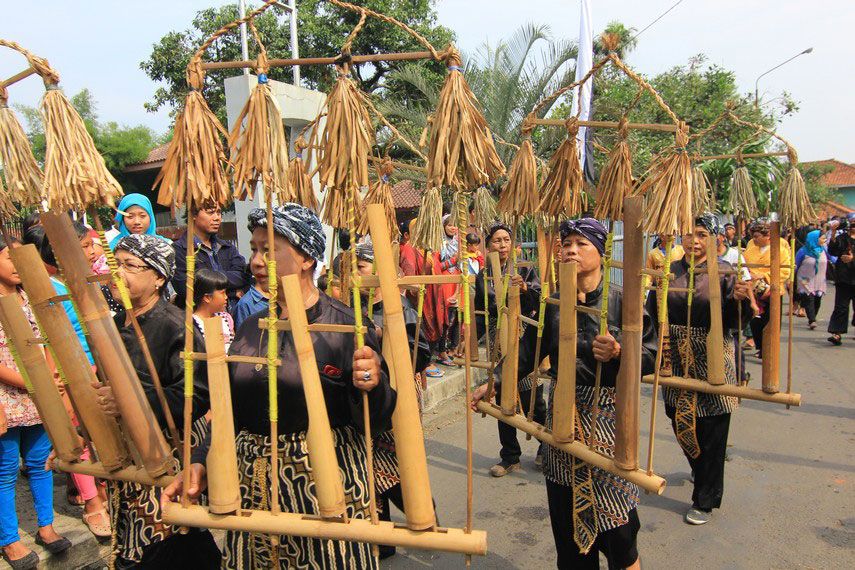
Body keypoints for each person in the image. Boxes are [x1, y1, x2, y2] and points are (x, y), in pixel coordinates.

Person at [162, 204, 396, 569]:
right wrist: (200, 460)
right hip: (253, 487)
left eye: (269, 250)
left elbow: (378, 419)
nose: (256, 261)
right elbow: (230, 411)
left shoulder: (348, 326)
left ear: (306, 258)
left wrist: (372, 385)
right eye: (254, 249)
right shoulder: (251, 326)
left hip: (327, 486)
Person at [473, 218, 657, 569]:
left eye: (581, 243)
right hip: (562, 417)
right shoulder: (553, 303)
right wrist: (494, 382)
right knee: (567, 525)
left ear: (601, 253)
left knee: (617, 529)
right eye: (567, 243)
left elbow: (650, 356)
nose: (571, 250)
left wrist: (620, 352)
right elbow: (527, 353)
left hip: (610, 420)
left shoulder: (623, 302)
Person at [94, 234, 219, 568]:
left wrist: (132, 402)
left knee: (167, 539)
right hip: (129, 449)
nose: (119, 273)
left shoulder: (175, 325)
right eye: (115, 264)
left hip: (169, 448)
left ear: (159, 277)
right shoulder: (114, 324)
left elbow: (198, 393)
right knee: (132, 539)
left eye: (131, 265)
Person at [657, 214, 752, 525]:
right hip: (676, 358)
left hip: (712, 356)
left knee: (712, 431)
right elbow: (650, 314)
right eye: (688, 234)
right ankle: (701, 472)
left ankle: (706, 497)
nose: (694, 241)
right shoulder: (669, 273)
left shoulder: (726, 273)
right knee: (679, 420)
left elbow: (739, 323)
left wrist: (739, 299)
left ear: (714, 239)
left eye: (701, 234)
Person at [23, 222, 113, 539]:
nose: (93, 251)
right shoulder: (50, 287)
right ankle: (92, 504)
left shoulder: (78, 281)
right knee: (80, 437)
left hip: (96, 364)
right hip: (75, 367)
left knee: (100, 434)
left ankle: (102, 494)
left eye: (92, 245)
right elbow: (53, 338)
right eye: (85, 246)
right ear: (62, 252)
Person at [354, 242, 432, 559]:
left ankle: (424, 509)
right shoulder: (353, 308)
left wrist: (383, 335)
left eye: (361, 268)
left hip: (397, 398)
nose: (356, 275)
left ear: (378, 271)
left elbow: (421, 354)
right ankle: (383, 539)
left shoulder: (401, 308)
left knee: (395, 465)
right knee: (371, 468)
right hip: (367, 398)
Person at [0, 236, 72, 569]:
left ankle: (46, 526)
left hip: (39, 393)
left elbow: (47, 340)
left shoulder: (29, 297)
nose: (16, 265)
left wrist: (51, 377)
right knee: (6, 469)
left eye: (19, 258)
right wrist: (32, 382)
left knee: (41, 462)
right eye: (8, 258)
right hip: (6, 398)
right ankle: (9, 540)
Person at [474, 221, 544, 477]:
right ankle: (510, 455)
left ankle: (545, 446)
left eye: (506, 240)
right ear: (488, 244)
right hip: (496, 341)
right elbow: (480, 309)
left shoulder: (524, 268)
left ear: (512, 244)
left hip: (521, 335)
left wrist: (525, 289)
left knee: (530, 395)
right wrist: (468, 339)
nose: (502, 245)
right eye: (496, 240)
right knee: (502, 395)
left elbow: (540, 299)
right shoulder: (484, 274)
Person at [172, 202, 250, 312]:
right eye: (211, 213)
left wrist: (207, 276)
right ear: (193, 215)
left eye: (219, 212)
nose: (217, 218)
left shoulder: (226, 247)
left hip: (229, 316)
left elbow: (243, 276)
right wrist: (232, 291)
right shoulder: (180, 250)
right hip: (197, 317)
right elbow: (185, 288)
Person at [743, 218, 791, 358]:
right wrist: (750, 274)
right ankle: (760, 346)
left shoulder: (780, 250)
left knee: (771, 321)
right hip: (753, 291)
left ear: (767, 235)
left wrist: (763, 276)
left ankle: (769, 349)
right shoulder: (750, 250)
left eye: (757, 236)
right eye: (753, 236)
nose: (755, 239)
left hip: (773, 290)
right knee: (755, 321)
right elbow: (744, 267)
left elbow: (785, 271)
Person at [826, 216, 855, 345]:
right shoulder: (842, 238)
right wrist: (832, 232)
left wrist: (852, 259)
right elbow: (832, 250)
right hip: (843, 278)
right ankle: (836, 333)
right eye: (852, 225)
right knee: (841, 307)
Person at [193, 269, 235, 350]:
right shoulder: (193, 323)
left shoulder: (226, 318)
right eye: (223, 293)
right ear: (207, 298)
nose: (226, 297)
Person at [795, 230, 828, 330]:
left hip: (819, 280)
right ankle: (812, 320)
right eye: (822, 238)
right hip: (805, 279)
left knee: (817, 301)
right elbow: (796, 264)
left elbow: (834, 259)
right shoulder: (803, 251)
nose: (825, 240)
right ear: (814, 239)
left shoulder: (824, 250)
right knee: (809, 298)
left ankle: (813, 317)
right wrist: (790, 277)